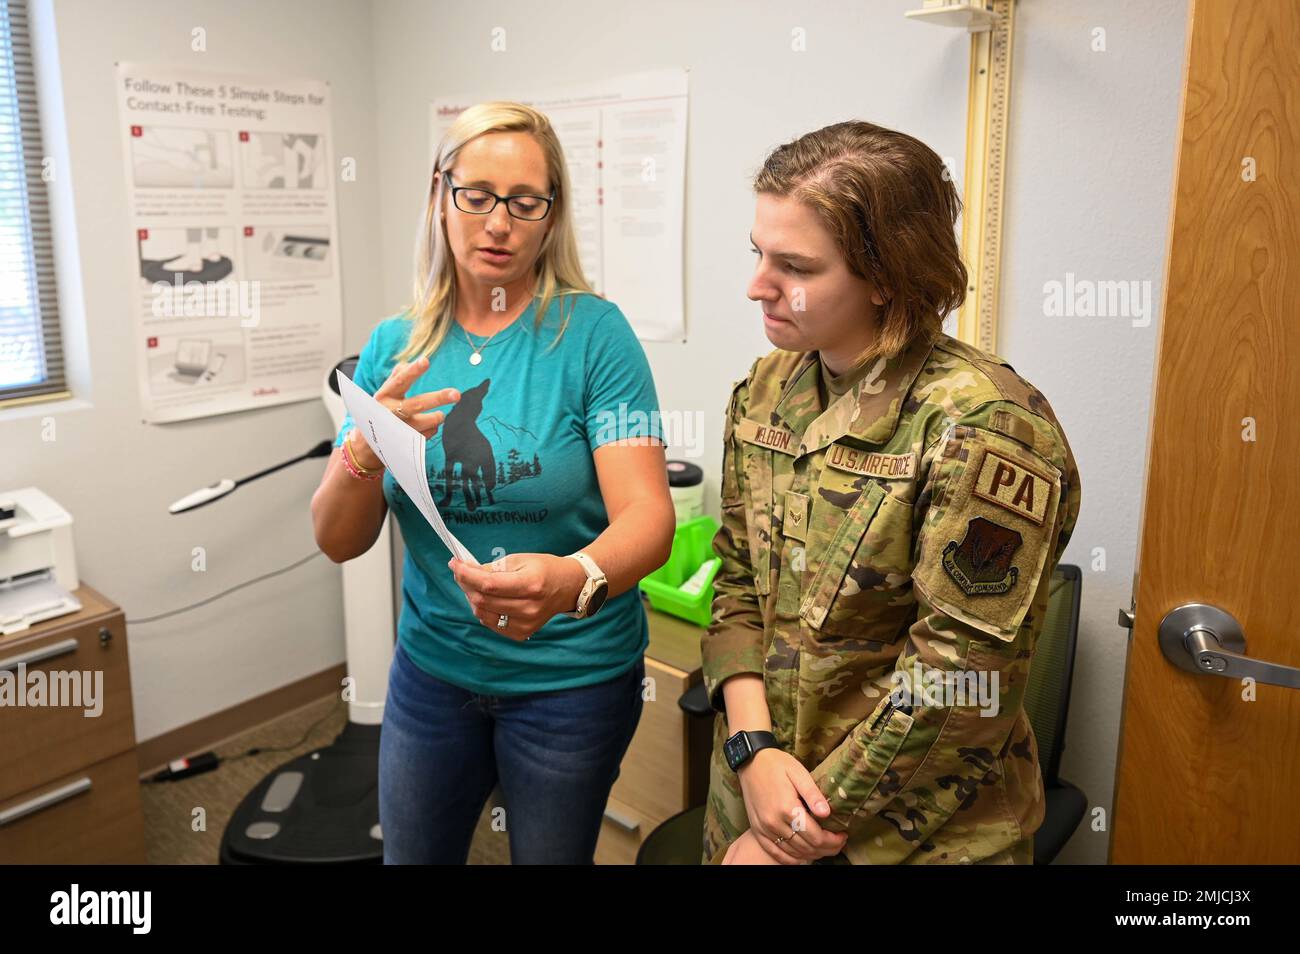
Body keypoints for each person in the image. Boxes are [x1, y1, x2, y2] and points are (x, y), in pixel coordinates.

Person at [702, 120, 1082, 865]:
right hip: (755, 796)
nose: (757, 286)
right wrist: (751, 751)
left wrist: (792, 835)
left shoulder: (984, 427)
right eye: (758, 254)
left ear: (886, 277)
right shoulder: (767, 391)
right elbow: (739, 583)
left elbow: (957, 683)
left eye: (796, 266)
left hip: (905, 835)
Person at [310, 101, 676, 864]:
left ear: (551, 215)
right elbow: (337, 538)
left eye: (524, 202)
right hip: (432, 675)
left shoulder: (594, 337)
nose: (497, 223)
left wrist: (575, 577)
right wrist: (367, 454)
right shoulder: (395, 347)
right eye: (475, 195)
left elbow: (648, 516)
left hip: (572, 682)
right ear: (440, 195)